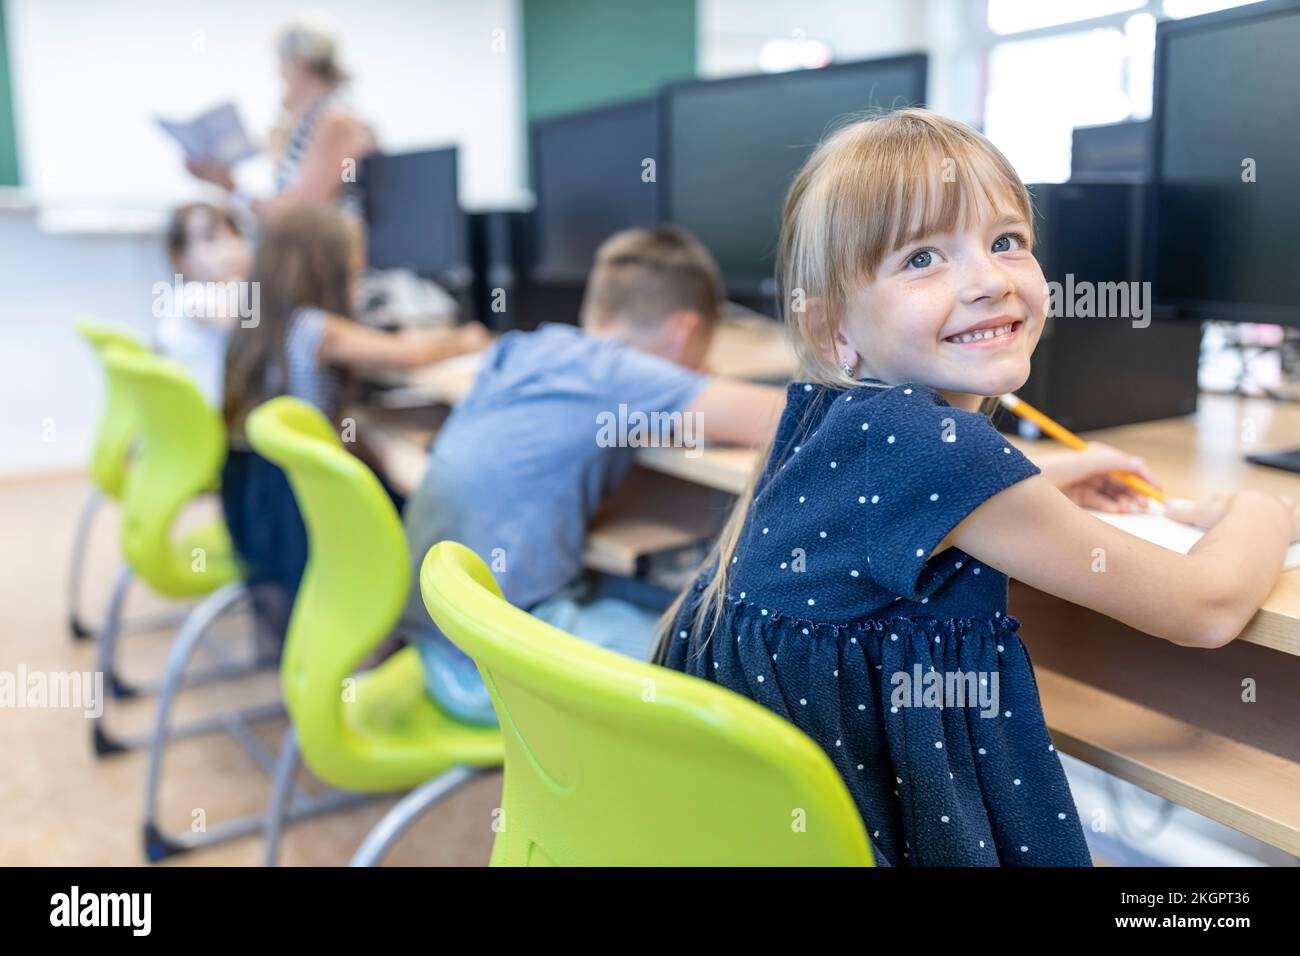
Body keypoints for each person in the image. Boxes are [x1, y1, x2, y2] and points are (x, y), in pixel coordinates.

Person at [651, 108, 1300, 867]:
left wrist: (1040, 476)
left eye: (1006, 242)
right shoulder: (943, 451)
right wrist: (1266, 507)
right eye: (922, 258)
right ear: (836, 329)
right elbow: (1206, 608)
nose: (990, 281)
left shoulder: (829, 414)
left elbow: (881, 507)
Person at [401, 225, 786, 724]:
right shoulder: (620, 373)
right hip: (488, 668)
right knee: (724, 666)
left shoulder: (522, 350)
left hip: (441, 634)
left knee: (673, 602)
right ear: (684, 331)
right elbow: (781, 416)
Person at [221, 203, 488, 640]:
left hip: (263, 490)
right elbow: (412, 355)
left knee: (393, 461)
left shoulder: (263, 320)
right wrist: (467, 338)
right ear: (321, 266)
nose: (359, 272)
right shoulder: (317, 328)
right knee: (429, 502)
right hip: (299, 507)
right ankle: (421, 630)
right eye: (352, 264)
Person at [187, 21, 374, 219]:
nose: (280, 73)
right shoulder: (310, 121)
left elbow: (302, 212)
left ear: (299, 64)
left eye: (282, 63)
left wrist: (230, 186)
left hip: (323, 246)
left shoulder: (338, 120)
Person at [155, 202, 252, 407]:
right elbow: (233, 319)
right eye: (211, 238)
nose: (230, 246)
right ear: (182, 260)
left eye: (234, 233)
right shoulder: (193, 295)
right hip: (203, 416)